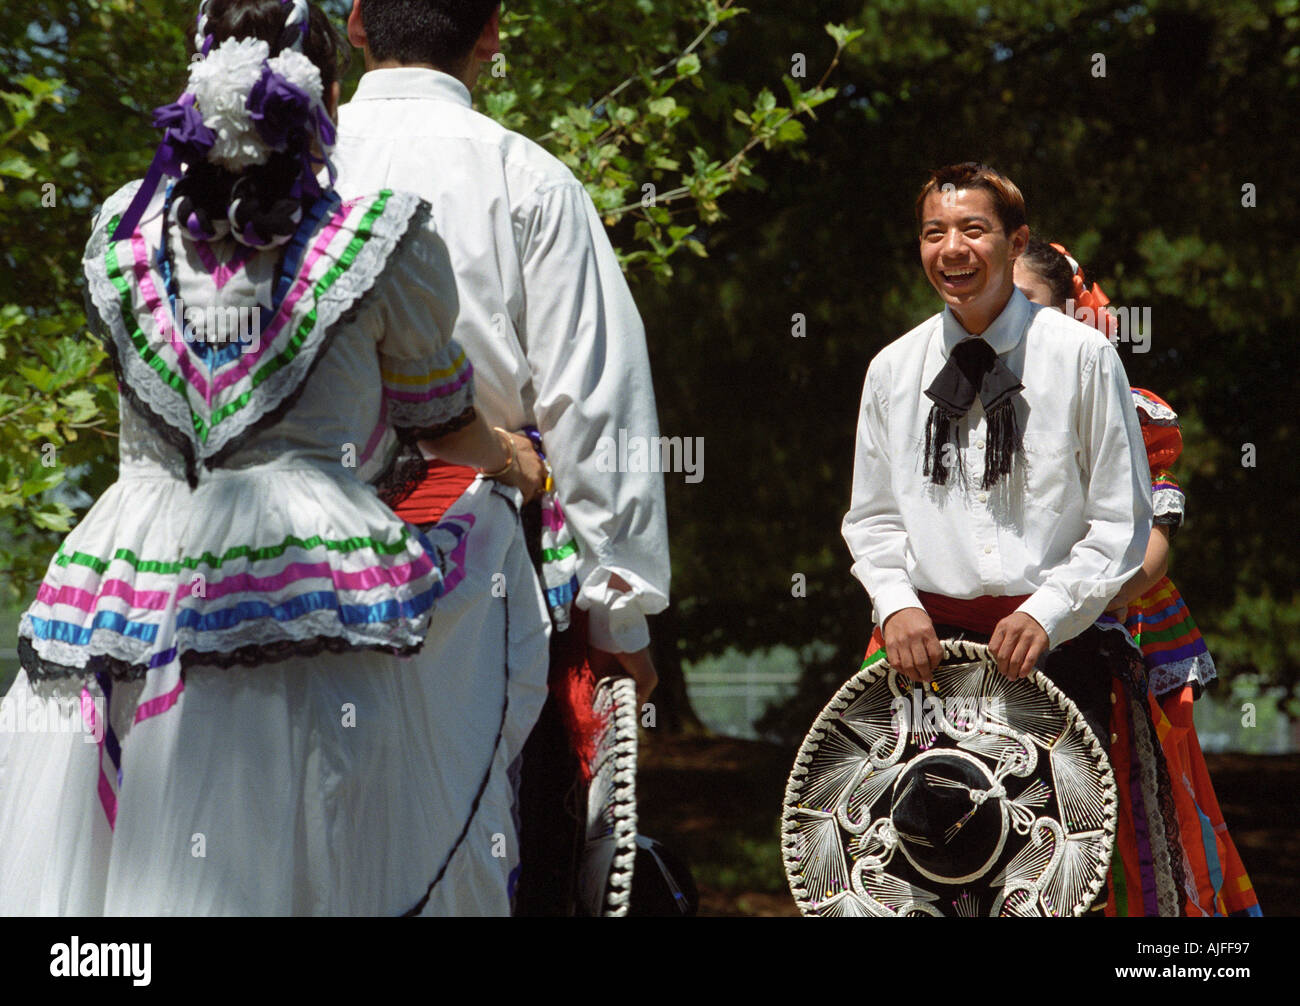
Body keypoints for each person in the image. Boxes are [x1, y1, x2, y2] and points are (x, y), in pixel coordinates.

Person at [0, 0, 546, 915]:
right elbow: (442, 425)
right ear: (324, 100)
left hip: (134, 566)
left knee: (118, 859)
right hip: (309, 575)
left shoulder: (119, 237)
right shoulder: (376, 240)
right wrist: (516, 462)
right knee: (315, 841)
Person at [330, 1, 671, 912]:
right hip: (474, 538)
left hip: (277, 552)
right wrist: (619, 617)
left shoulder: (286, 173)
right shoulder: (527, 176)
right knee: (491, 835)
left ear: (357, 24)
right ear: (491, 35)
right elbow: (598, 407)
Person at [842, 162, 1190, 915]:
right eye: (935, 233)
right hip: (922, 663)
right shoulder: (893, 370)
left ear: (1015, 240)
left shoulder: (1082, 358)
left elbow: (1120, 523)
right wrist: (895, 601)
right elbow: (871, 519)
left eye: (973, 230)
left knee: (1052, 886)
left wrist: (1047, 610)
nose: (952, 248)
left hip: (1057, 657)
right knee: (921, 878)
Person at [1013, 238, 1261, 916]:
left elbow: (1150, 553)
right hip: (975, 652)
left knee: (1083, 831)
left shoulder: (1130, 412)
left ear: (1070, 312)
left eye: (1026, 304)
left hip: (1095, 645)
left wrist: (1054, 610)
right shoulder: (950, 399)